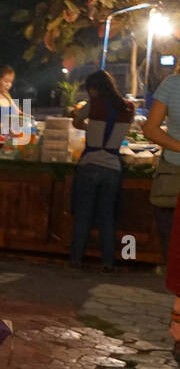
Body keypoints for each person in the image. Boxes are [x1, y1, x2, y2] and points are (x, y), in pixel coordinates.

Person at [69, 71, 133, 270]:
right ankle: (107, 262)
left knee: (83, 215)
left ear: (94, 88)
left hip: (89, 164)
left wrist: (89, 128)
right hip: (112, 166)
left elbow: (76, 121)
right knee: (107, 216)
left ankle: (76, 260)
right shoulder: (128, 107)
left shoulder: (93, 104)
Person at [141, 67, 180, 355]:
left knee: (176, 257)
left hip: (171, 174)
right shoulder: (172, 84)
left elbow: (151, 129)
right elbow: (149, 129)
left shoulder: (171, 84)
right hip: (173, 181)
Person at [0, 64, 34, 153]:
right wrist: (5, 125)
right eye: (6, 81)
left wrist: (27, 117)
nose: (9, 85)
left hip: (12, 139)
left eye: (10, 82)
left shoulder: (5, 95)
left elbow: (17, 112)